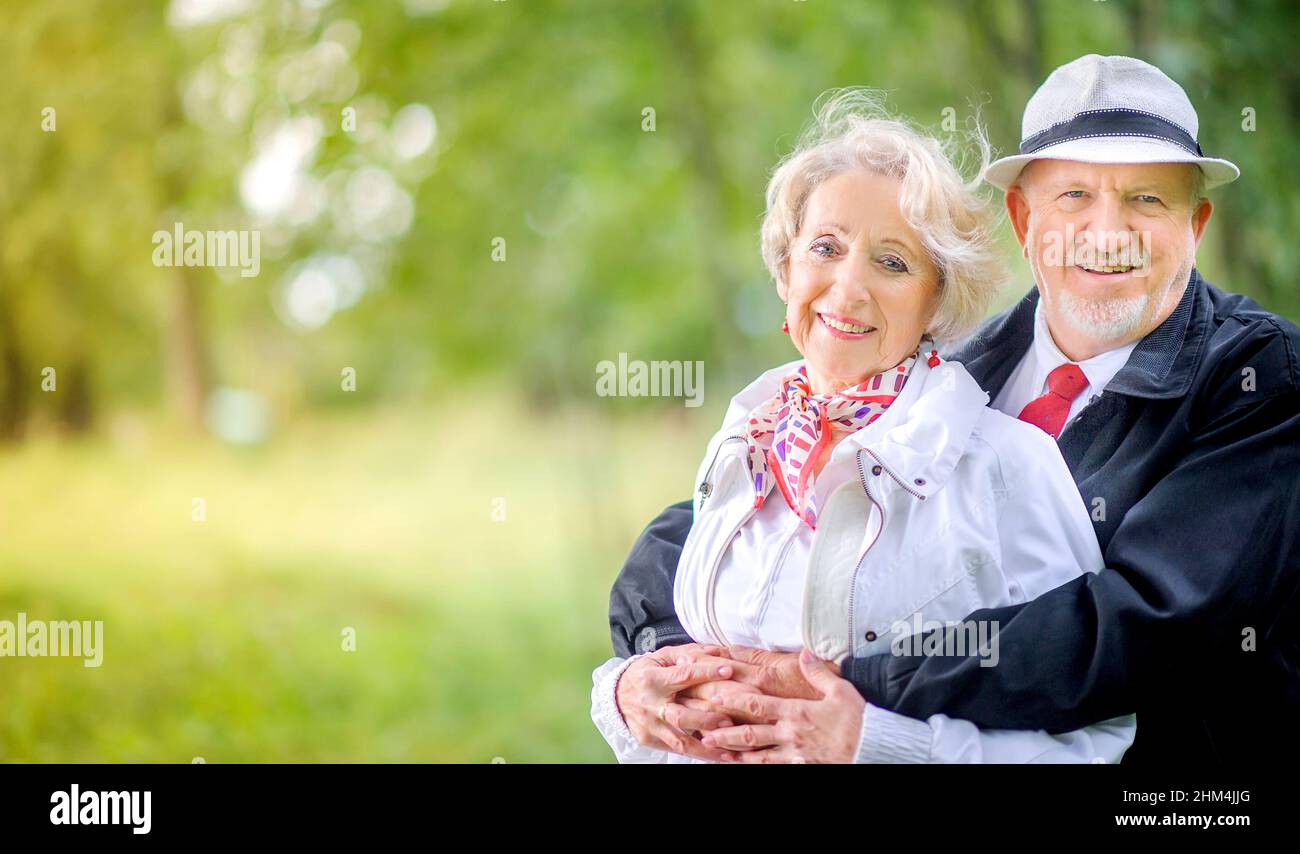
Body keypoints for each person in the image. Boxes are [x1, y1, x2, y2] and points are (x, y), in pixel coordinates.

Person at [606, 54, 1300, 764]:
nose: (1108, 230)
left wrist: (850, 681)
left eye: (1148, 199)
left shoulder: (1257, 376)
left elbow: (1146, 625)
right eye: (1074, 197)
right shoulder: (955, 368)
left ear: (1197, 224)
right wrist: (652, 667)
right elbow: (720, 525)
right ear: (1024, 219)